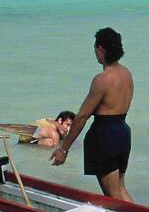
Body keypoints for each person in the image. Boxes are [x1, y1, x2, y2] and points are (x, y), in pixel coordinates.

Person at [51, 28, 134, 201]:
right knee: (120, 189)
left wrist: (63, 148)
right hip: (123, 132)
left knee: (113, 196)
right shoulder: (126, 73)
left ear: (101, 49)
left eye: (95, 49)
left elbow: (81, 116)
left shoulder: (102, 79)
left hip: (105, 136)